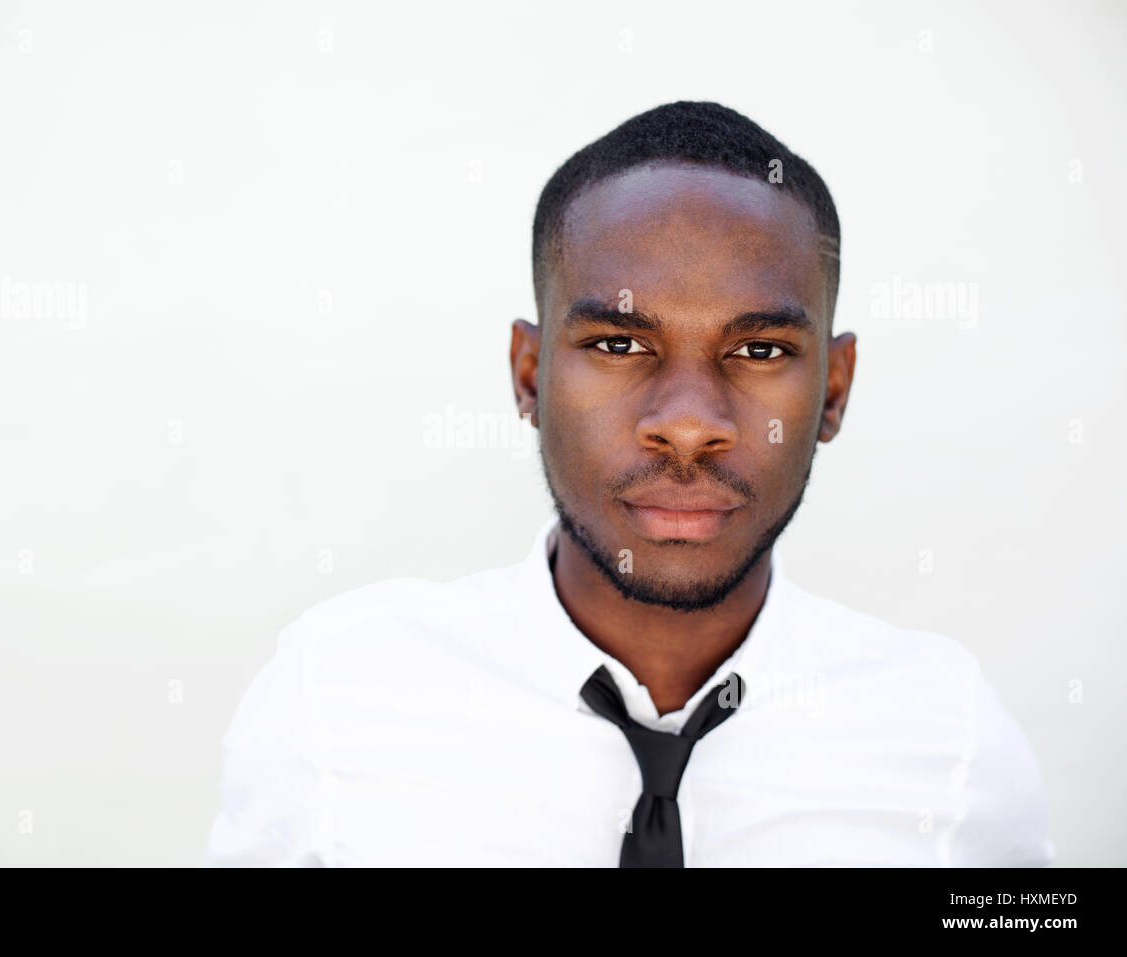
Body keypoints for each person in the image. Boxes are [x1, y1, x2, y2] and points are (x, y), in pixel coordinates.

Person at [206, 101, 1054, 867]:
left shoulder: (951, 739)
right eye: (618, 343)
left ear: (833, 390)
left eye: (759, 350)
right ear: (529, 374)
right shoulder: (337, 699)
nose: (688, 423)